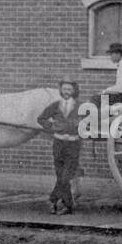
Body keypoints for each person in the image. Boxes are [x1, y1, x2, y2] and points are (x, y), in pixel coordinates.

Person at [36, 79, 82, 215]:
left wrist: (79, 128)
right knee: (60, 174)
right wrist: (52, 127)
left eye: (69, 89)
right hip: (59, 144)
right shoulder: (55, 105)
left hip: (73, 144)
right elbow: (41, 119)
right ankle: (65, 205)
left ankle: (55, 200)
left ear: (74, 91)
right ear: (60, 91)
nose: (66, 92)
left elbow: (89, 122)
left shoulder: (81, 106)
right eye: (64, 89)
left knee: (65, 177)